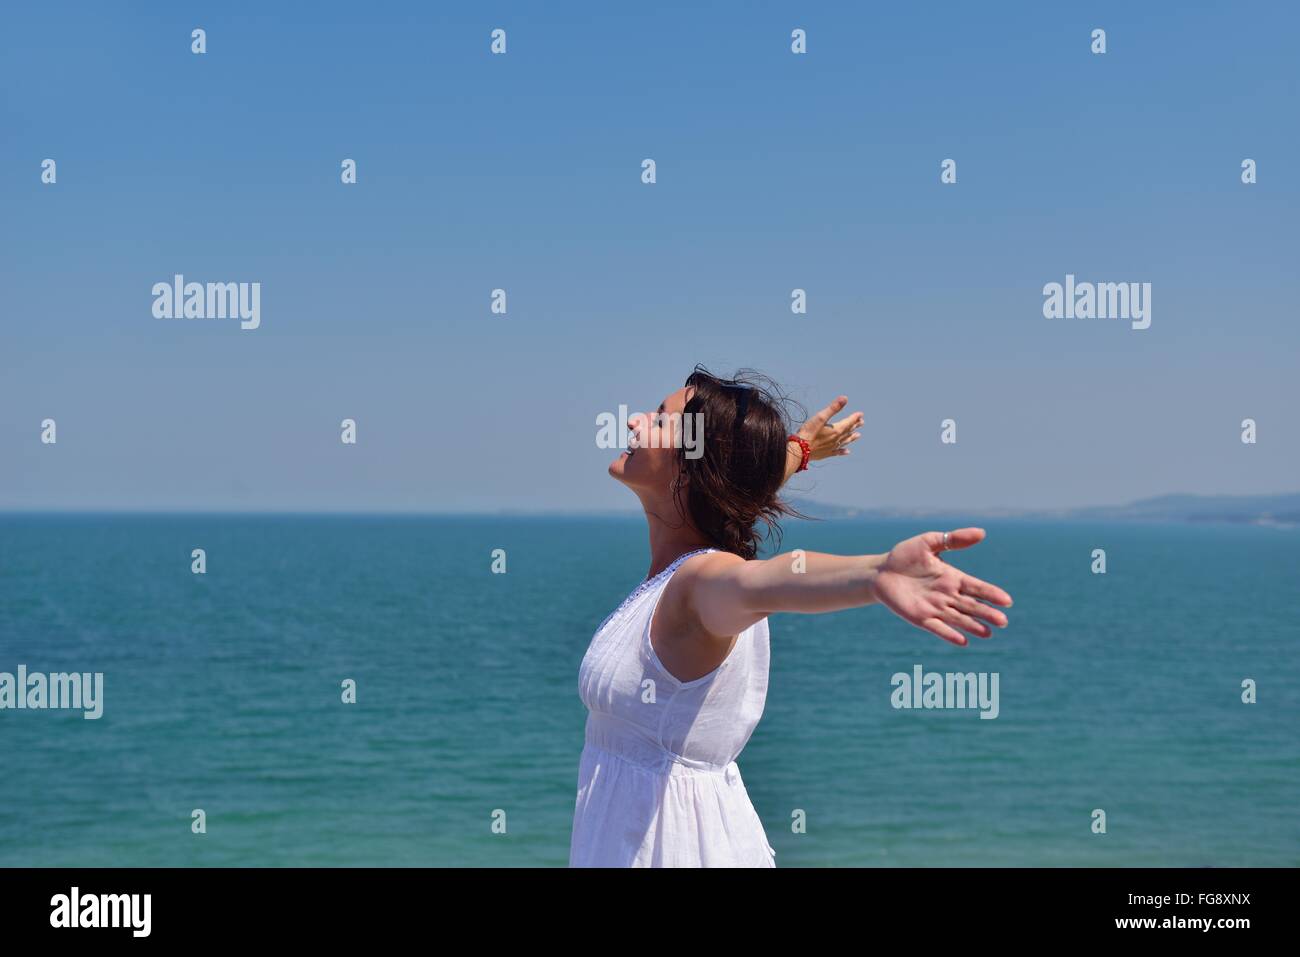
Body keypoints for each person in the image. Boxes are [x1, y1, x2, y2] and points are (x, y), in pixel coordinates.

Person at [569, 366, 1013, 866]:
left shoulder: (700, 581)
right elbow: (730, 483)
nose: (634, 422)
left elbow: (767, 582)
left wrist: (875, 573)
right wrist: (796, 451)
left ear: (693, 463)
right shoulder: (677, 567)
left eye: (661, 419)